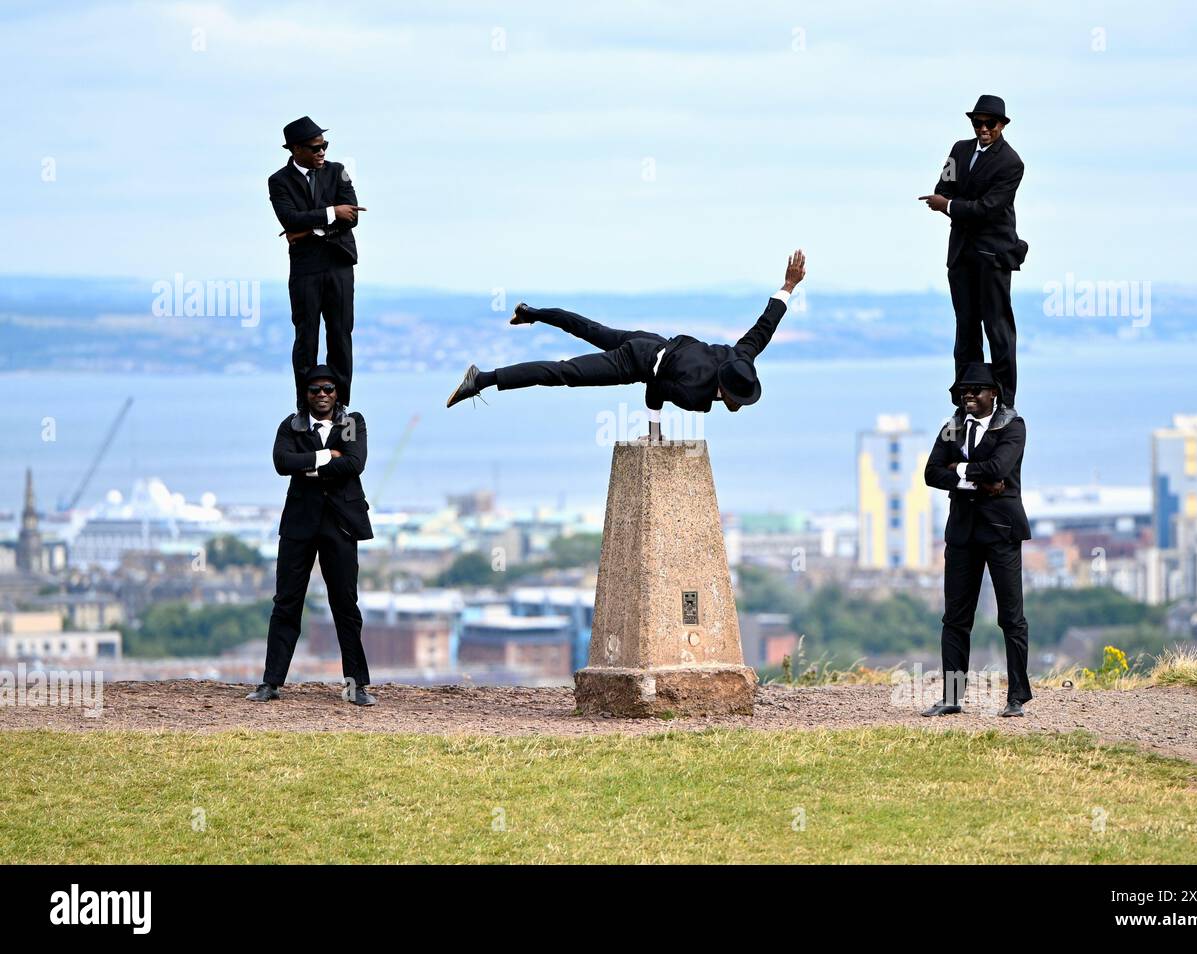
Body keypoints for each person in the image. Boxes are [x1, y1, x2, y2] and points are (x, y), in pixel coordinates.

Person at [446, 250, 807, 440]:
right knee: (562, 373)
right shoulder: (697, 396)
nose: (737, 406)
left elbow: (765, 325)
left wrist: (788, 287)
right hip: (636, 363)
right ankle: (482, 379)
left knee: (586, 327)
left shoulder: (741, 357)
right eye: (736, 400)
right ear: (724, 390)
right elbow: (656, 388)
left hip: (651, 342)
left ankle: (531, 312)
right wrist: (654, 431)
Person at [246, 365, 376, 706]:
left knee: (345, 604)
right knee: (286, 602)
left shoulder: (351, 423)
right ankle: (271, 682)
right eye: (315, 390)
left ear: (338, 393)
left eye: (328, 389)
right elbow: (280, 462)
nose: (322, 395)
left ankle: (355, 685)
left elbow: (354, 463)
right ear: (305, 394)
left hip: (341, 524)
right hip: (299, 525)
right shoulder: (291, 425)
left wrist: (307, 467)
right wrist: (323, 457)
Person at [921, 362, 1032, 718]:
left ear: (993, 393)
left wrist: (958, 471)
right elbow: (931, 473)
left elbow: (1001, 469)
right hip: (962, 533)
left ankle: (1017, 697)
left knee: (1010, 616)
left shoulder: (1012, 425)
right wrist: (973, 479)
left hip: (1001, 531)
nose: (967, 395)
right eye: (962, 391)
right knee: (955, 618)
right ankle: (952, 696)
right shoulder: (952, 429)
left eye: (974, 390)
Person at [918, 94, 1027, 418]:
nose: (982, 129)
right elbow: (944, 185)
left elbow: (989, 208)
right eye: (977, 123)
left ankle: (1005, 401)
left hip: (993, 256)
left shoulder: (1011, 163)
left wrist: (951, 206)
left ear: (1002, 125)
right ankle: (963, 395)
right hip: (962, 254)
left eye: (989, 123)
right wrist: (955, 203)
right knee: (965, 327)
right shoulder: (958, 150)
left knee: (997, 328)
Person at [268, 116, 366, 426]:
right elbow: (289, 219)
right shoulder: (278, 181)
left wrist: (308, 230)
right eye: (315, 147)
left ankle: (341, 405)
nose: (322, 151)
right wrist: (329, 213)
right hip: (306, 270)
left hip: (339, 265)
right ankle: (303, 407)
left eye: (325, 145)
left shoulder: (337, 172)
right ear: (295, 149)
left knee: (340, 335)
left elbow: (351, 217)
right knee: (306, 338)